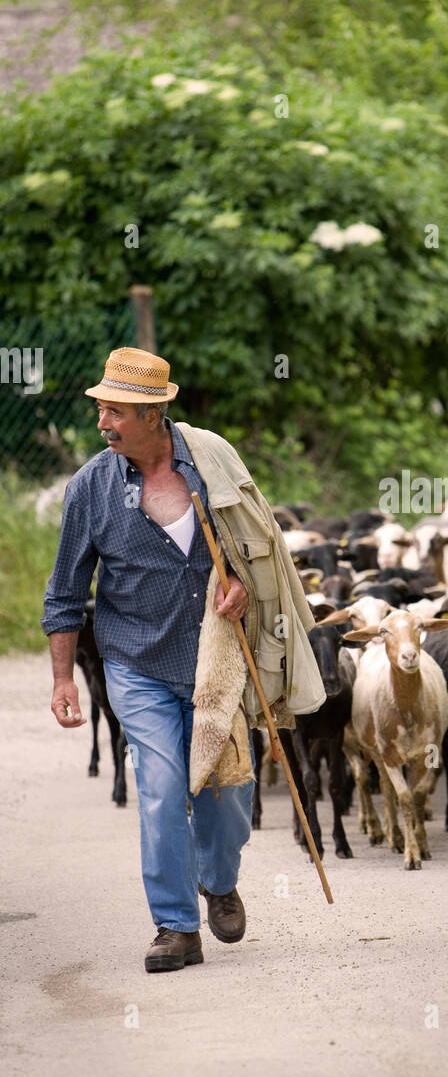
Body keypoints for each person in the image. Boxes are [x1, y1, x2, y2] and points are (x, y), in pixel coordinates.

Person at [42, 347, 276, 973]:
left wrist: (241, 586)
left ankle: (218, 881)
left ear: (152, 414)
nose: (103, 423)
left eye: (115, 412)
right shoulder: (91, 488)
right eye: (101, 410)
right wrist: (64, 677)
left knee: (227, 792)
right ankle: (175, 926)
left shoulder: (210, 467)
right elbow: (65, 592)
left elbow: (256, 550)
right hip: (134, 664)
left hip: (213, 665)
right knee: (163, 787)